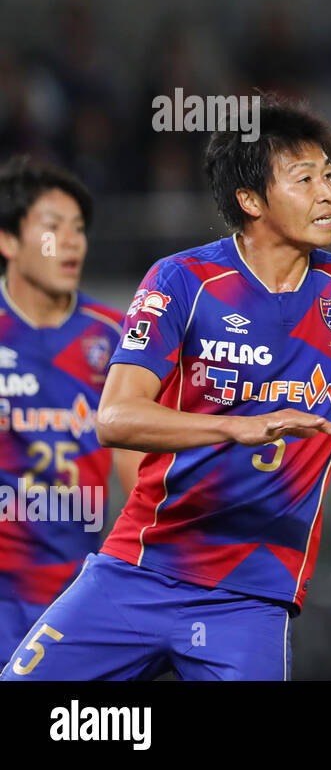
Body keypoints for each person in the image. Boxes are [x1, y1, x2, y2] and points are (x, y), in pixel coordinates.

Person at [2, 96, 331, 680]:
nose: (328, 192)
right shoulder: (184, 282)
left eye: (330, 175)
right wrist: (236, 427)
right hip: (138, 569)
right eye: (304, 177)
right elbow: (114, 417)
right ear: (251, 200)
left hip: (252, 597)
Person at [0, 157, 142, 661]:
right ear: (9, 241)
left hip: (79, 594)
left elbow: (139, 476)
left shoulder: (116, 335)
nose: (73, 241)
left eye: (79, 229)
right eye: (52, 227)